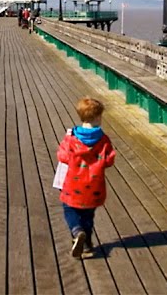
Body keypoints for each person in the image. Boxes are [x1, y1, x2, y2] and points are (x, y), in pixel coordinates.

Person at [56, 97, 116, 259]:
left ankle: (77, 231)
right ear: (97, 118)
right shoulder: (104, 140)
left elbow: (62, 156)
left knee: (70, 209)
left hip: (73, 186)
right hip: (94, 187)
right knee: (88, 216)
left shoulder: (71, 138)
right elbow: (109, 160)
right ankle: (88, 246)